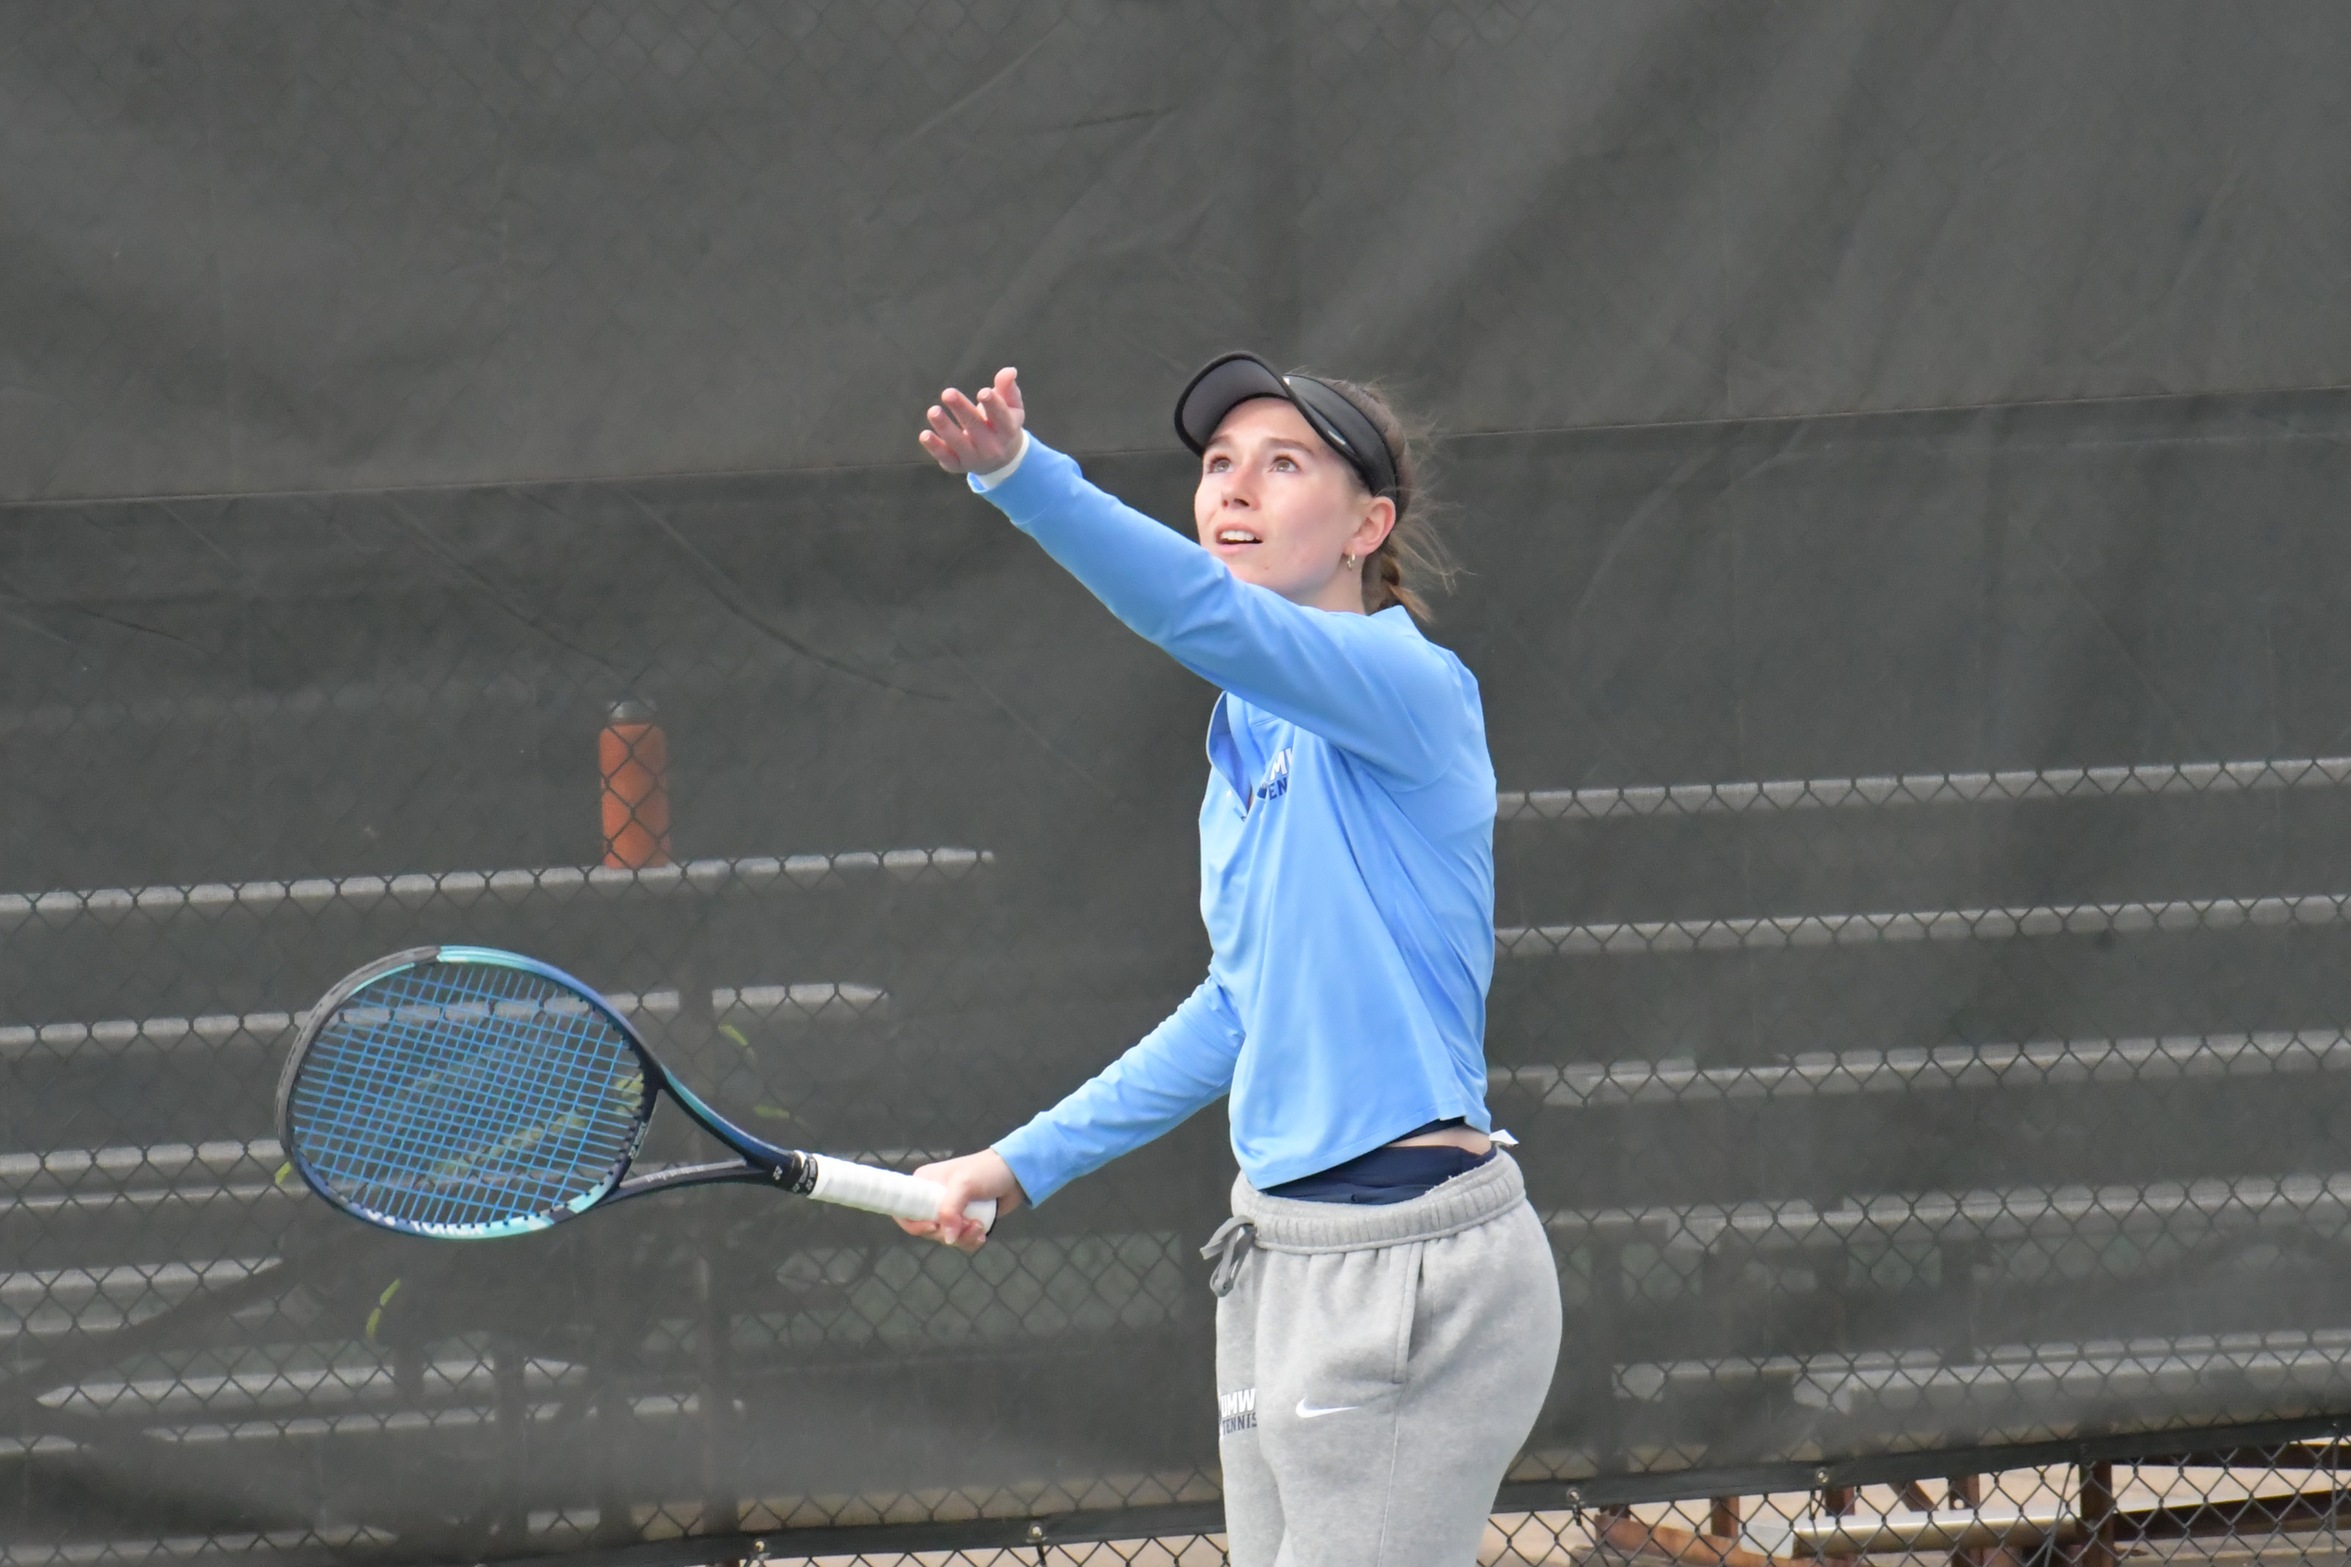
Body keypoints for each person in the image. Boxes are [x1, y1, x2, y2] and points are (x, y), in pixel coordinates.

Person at [906, 355, 1561, 1567]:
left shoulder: (1408, 682)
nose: (1233, 490)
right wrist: (1014, 1164)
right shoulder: (1246, 747)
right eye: (1215, 465)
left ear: (1369, 527)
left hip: (1413, 1272)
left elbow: (1197, 616)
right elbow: (1235, 1010)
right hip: (1275, 1257)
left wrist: (1018, 476)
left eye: (1283, 462)